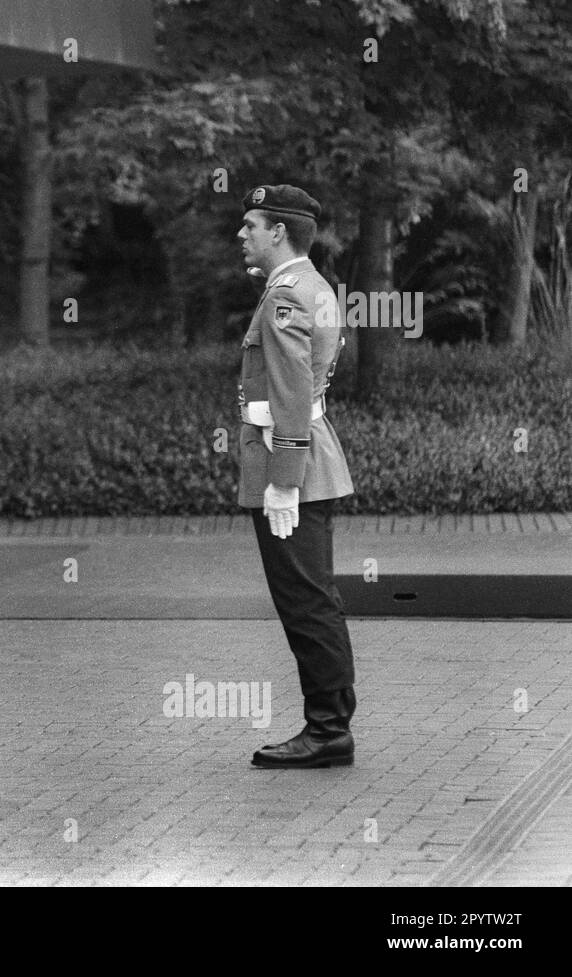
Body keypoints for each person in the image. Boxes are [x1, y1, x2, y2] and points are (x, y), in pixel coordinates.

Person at [235, 184, 357, 769]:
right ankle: (331, 722)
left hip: (293, 465)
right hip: (309, 455)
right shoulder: (316, 288)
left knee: (305, 602)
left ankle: (328, 730)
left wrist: (283, 477)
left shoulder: (285, 296)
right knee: (314, 597)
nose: (243, 234)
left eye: (251, 225)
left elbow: (291, 388)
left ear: (278, 231)